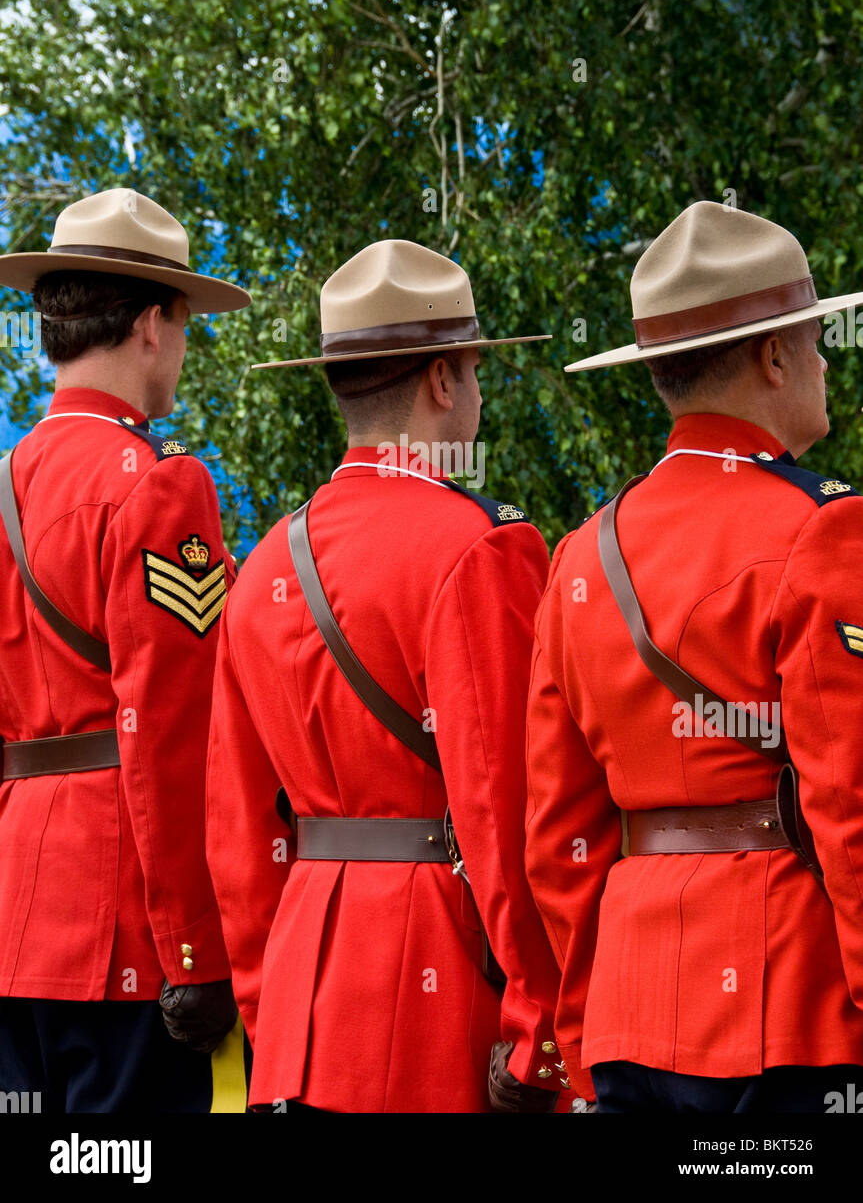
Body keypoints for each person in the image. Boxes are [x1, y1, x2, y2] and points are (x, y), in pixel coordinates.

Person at [206, 238, 568, 1112]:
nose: (477, 392)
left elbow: (237, 835)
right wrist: (540, 1029)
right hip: (437, 991)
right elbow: (505, 808)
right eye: (475, 370)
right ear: (445, 380)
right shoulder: (480, 547)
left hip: (301, 1002)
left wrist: (269, 1007)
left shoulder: (260, 569)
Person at [525, 200, 863, 1113]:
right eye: (814, 337)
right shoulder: (823, 528)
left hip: (629, 1010)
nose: (826, 361)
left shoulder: (580, 555)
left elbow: (559, 838)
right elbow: (850, 805)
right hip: (790, 1007)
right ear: (771, 355)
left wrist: (582, 1033)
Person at [0, 187, 249, 1112]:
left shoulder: (5, 485)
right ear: (152, 324)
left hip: (15, 921)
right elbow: (175, 733)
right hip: (123, 932)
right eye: (185, 324)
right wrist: (195, 945)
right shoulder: (156, 488)